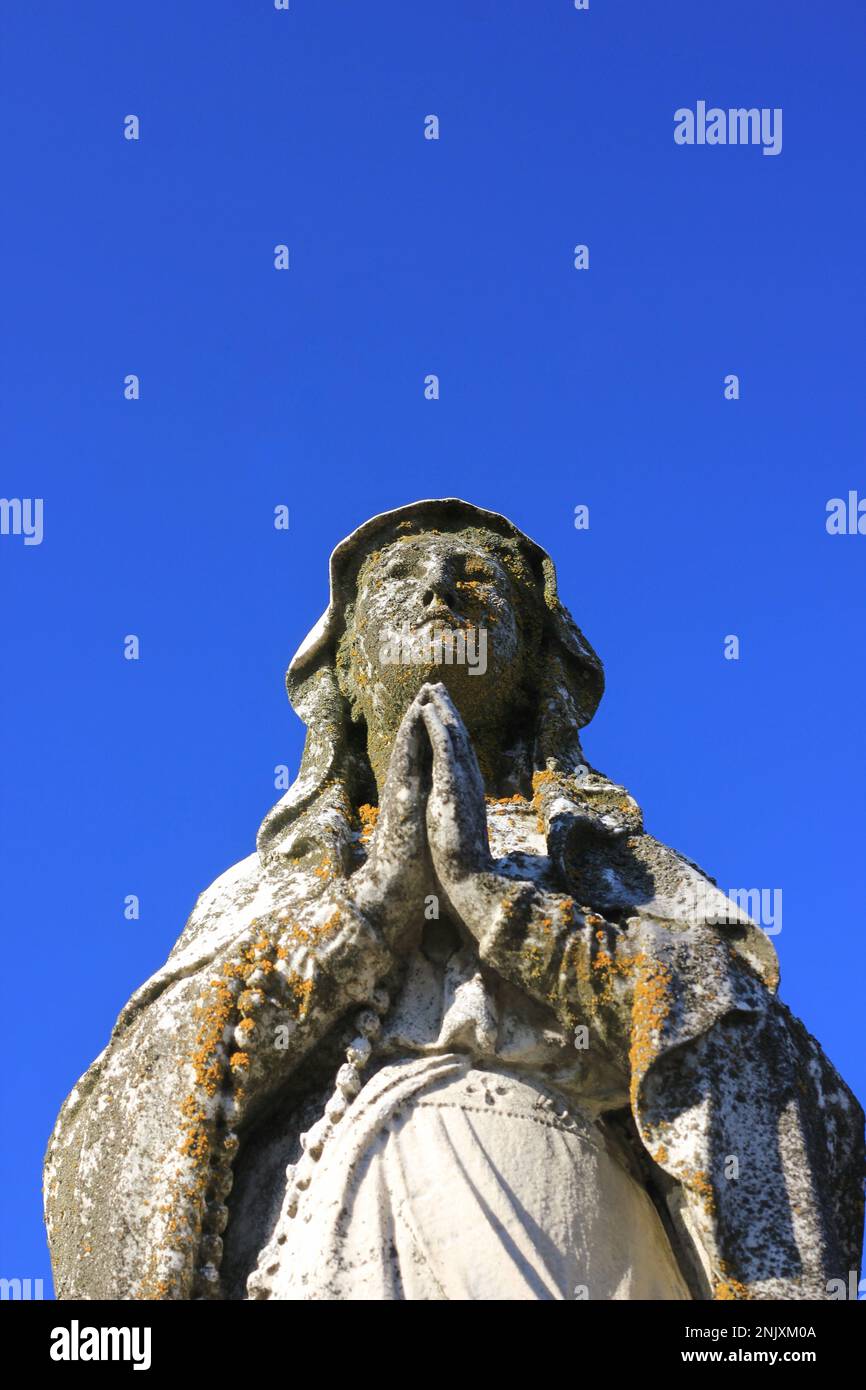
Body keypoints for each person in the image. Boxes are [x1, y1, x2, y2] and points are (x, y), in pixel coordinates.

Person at [44, 499, 864, 1301]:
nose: (440, 587)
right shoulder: (268, 884)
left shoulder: (619, 869)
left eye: (478, 579)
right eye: (400, 575)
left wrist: (498, 903)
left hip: (576, 1221)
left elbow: (769, 1074)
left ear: (534, 669)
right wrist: (369, 909)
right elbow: (125, 1114)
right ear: (348, 675)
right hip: (313, 1235)